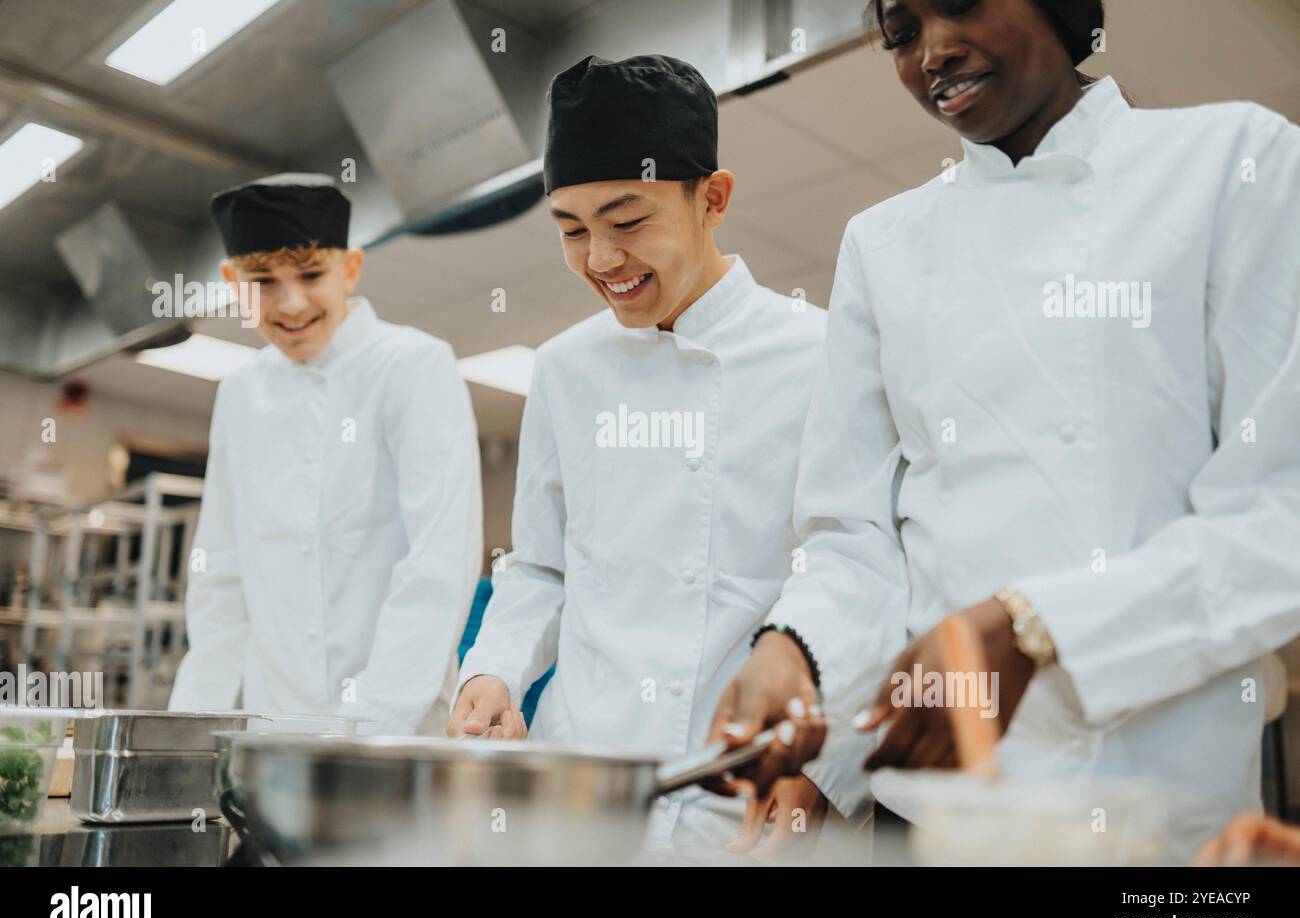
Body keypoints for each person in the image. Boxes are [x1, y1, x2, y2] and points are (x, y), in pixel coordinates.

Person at [710, 0, 1300, 862]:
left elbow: (1279, 517)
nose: (935, 51)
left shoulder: (1234, 161)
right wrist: (791, 649)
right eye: (901, 32)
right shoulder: (882, 246)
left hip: (1163, 814)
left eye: (961, 4)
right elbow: (854, 543)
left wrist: (1036, 626)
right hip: (941, 814)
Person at [448, 55, 835, 855]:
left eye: (627, 223)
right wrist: (493, 673)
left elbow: (857, 571)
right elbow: (541, 568)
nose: (599, 260)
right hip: (579, 788)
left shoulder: (820, 351)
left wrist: (828, 770)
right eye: (571, 229)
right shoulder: (563, 368)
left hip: (745, 796)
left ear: (713, 199)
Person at [169, 173, 483, 735]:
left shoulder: (414, 366)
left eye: (312, 275)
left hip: (395, 730)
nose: (291, 303)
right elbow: (220, 572)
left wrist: (367, 726)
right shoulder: (239, 393)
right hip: (272, 728)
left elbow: (438, 561)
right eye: (262, 281)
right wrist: (186, 733)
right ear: (232, 282)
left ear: (352, 269)